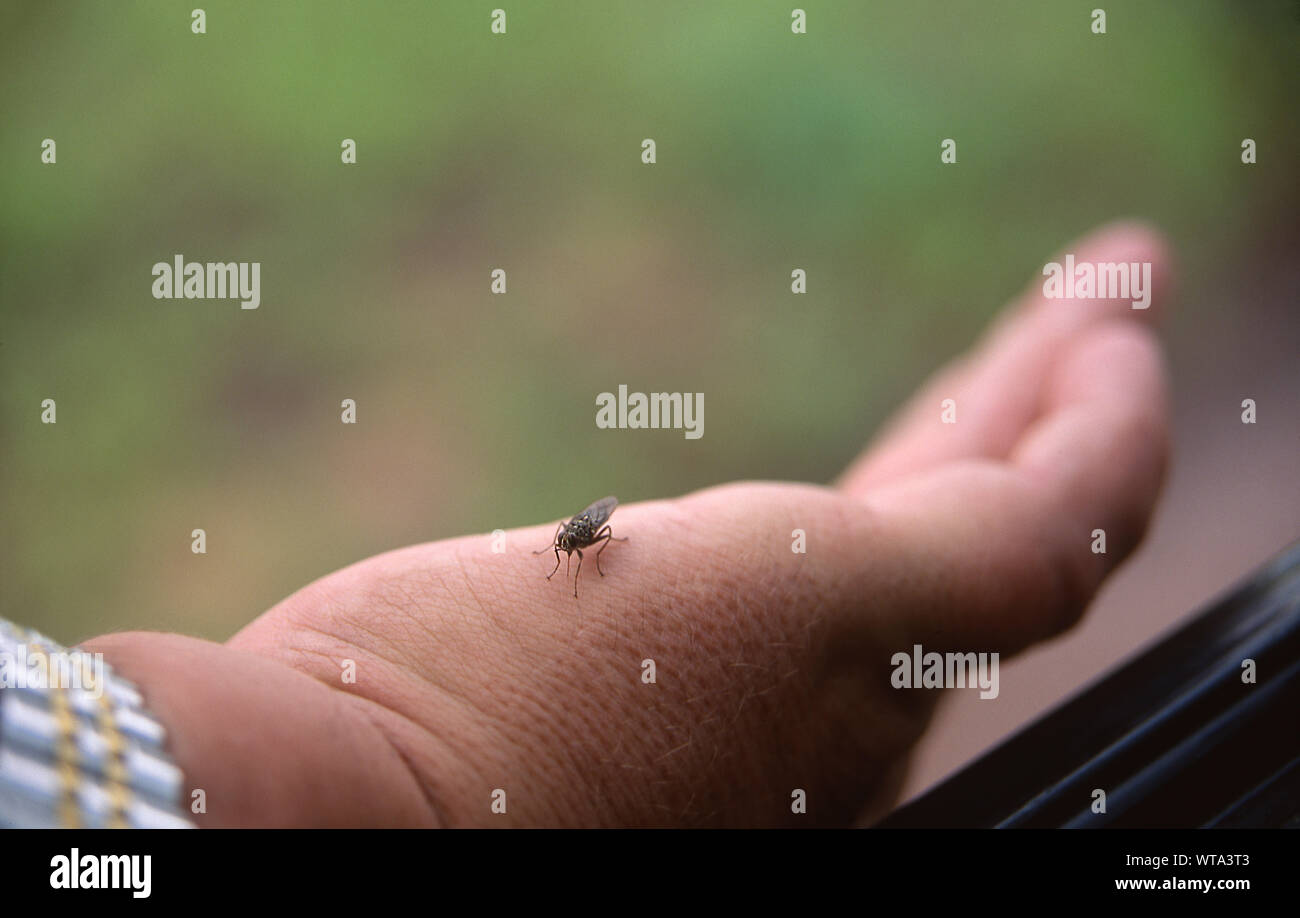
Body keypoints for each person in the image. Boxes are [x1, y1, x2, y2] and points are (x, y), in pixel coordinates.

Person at [5, 221, 1173, 828]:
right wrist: (421, 786)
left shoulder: (590, 542)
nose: (575, 551)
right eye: (576, 546)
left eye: (578, 545)